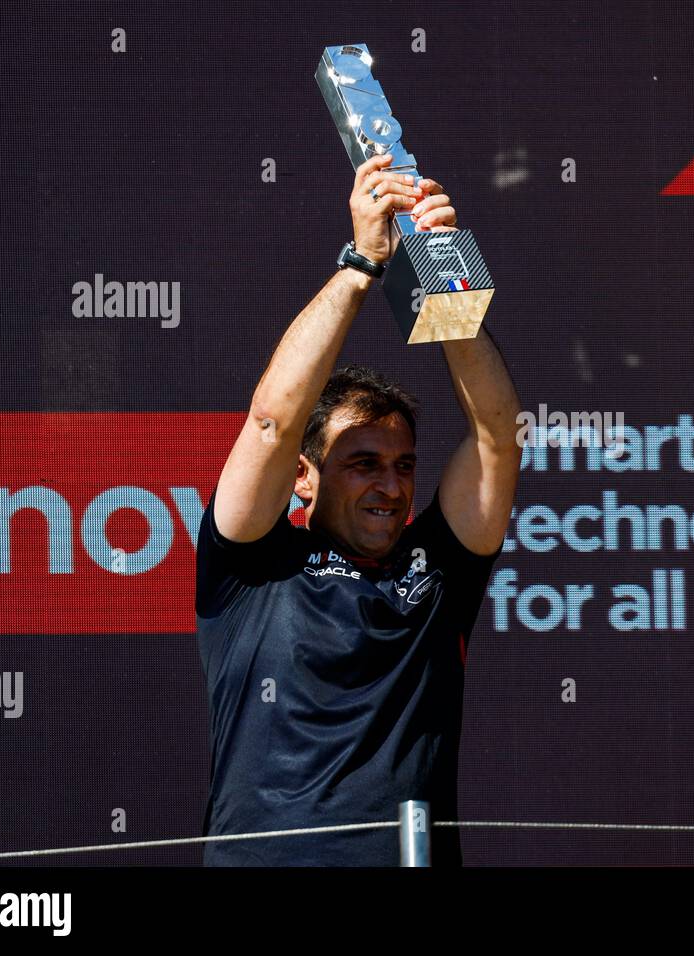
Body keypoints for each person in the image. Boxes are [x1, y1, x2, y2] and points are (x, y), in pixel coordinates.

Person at [195, 153, 520, 865]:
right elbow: (272, 424)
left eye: (403, 466)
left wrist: (447, 274)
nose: (391, 487)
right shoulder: (253, 565)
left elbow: (497, 436)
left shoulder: (438, 572)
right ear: (303, 478)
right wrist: (362, 264)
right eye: (363, 464)